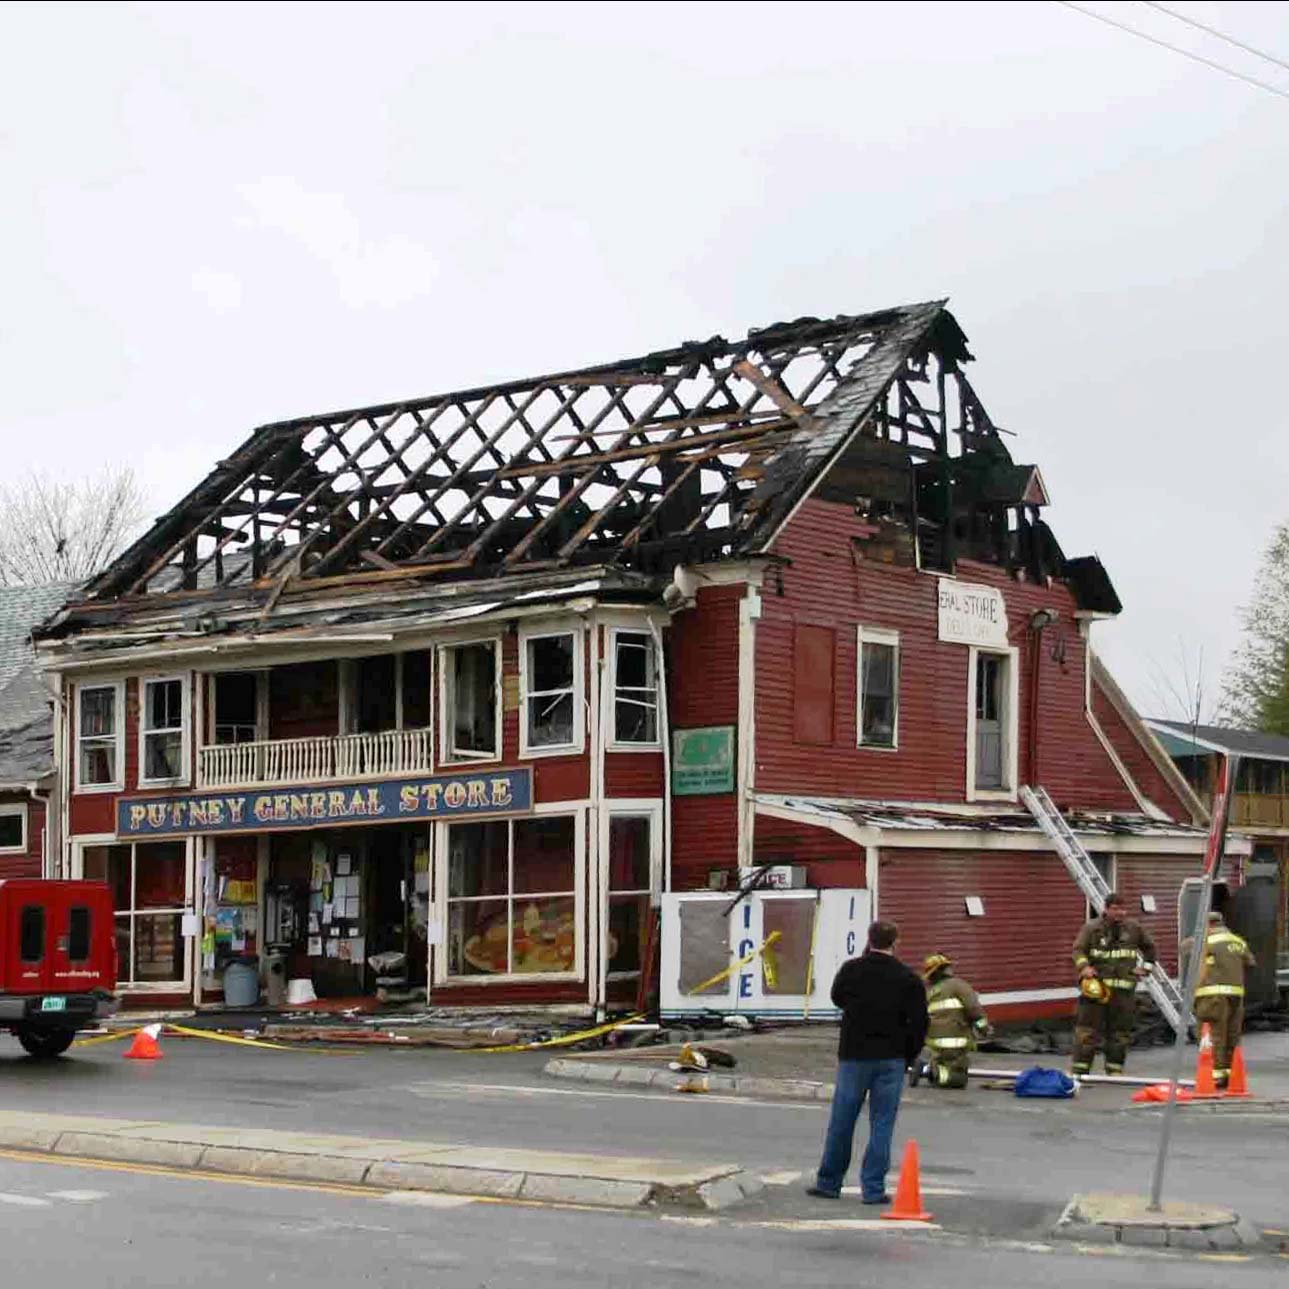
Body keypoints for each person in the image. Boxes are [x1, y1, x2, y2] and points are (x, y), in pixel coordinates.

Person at [808, 919, 928, 1204]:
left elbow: (838, 998)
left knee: (842, 1120)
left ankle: (829, 1182)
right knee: (882, 1124)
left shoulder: (852, 970)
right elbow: (920, 1022)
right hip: (891, 1059)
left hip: (854, 1056)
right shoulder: (907, 978)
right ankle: (873, 1189)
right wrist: (908, 1056)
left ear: (869, 939)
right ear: (895, 942)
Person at [1071, 892, 1156, 1077]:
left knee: (1120, 1033)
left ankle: (1114, 1071)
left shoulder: (1134, 929)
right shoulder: (1091, 929)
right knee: (1087, 1031)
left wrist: (1146, 968)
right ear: (1106, 909)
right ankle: (1080, 1072)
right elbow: (1078, 951)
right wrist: (1084, 967)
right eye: (1115, 909)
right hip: (1096, 991)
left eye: (1122, 908)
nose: (1120, 913)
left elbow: (1150, 948)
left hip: (1123, 993)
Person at [1183, 909, 1255, 1090]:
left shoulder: (1205, 940)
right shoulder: (1238, 941)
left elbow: (1183, 948)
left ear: (1207, 925)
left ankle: (1213, 1076)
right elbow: (1250, 962)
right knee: (1232, 1035)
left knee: (1212, 1035)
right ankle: (1229, 1074)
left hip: (1211, 996)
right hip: (1235, 996)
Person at [912, 953, 990, 1089]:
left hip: (935, 1045)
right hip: (957, 1042)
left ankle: (929, 1069)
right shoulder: (958, 985)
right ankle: (928, 1069)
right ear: (943, 970)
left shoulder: (929, 992)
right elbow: (973, 1009)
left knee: (946, 1072)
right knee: (958, 1080)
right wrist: (984, 1028)